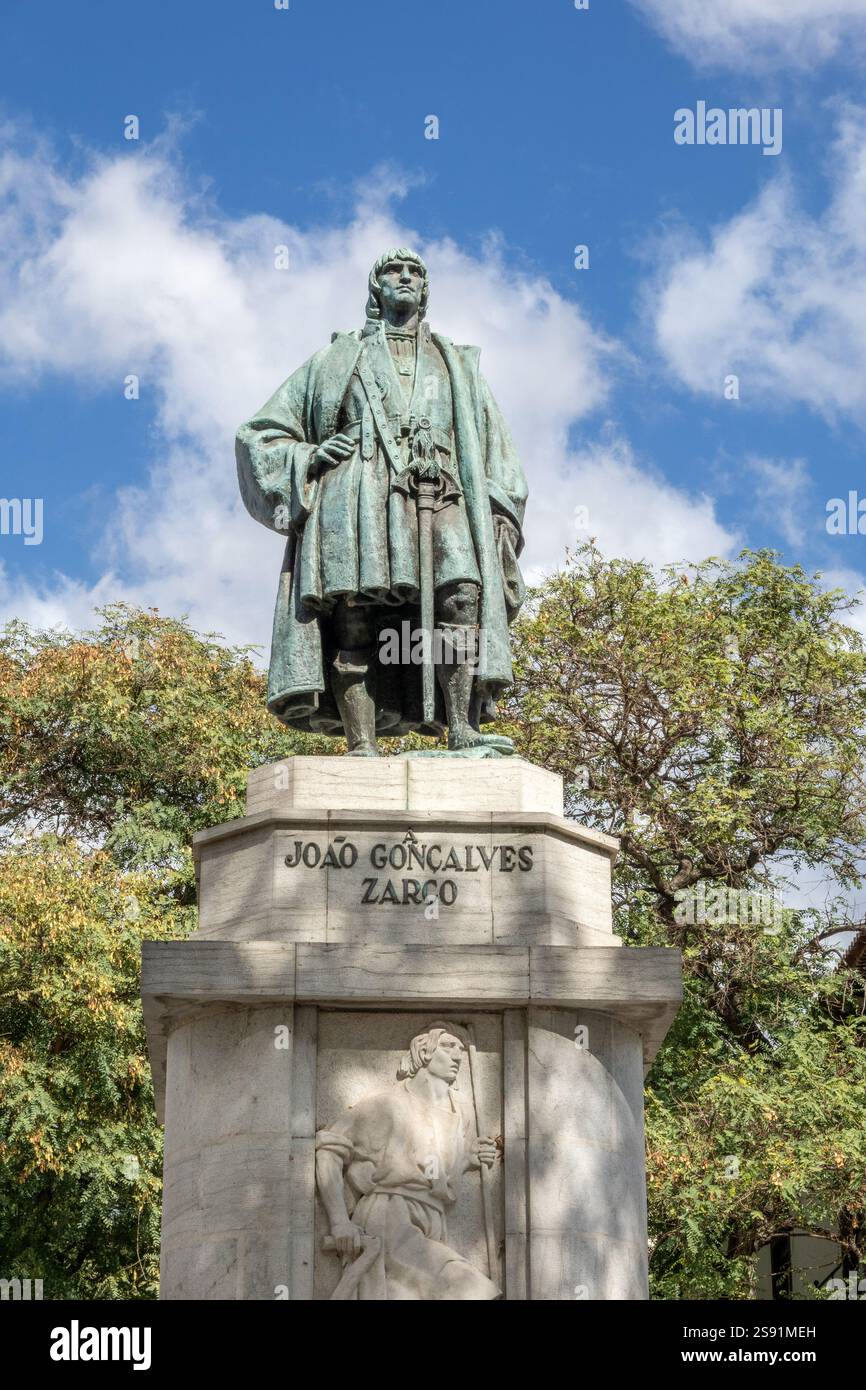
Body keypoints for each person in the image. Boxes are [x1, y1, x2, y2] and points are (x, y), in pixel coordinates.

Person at [236, 249, 527, 754]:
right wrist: (308, 454)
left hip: (444, 488)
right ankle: (361, 746)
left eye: (416, 272)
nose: (406, 278)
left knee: (461, 592)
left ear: (425, 289)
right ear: (377, 287)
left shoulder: (456, 362)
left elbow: (495, 447)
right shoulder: (336, 358)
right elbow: (258, 434)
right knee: (356, 611)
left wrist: (501, 512)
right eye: (394, 271)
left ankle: (461, 726)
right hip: (357, 490)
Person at [315, 1023, 501, 1300]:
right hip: (390, 1215)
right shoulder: (387, 1105)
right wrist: (340, 1222)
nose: (458, 1056)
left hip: (432, 1219)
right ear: (423, 1052)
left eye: (461, 1049)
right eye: (448, 1046)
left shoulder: (457, 1115)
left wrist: (466, 1159)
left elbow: (432, 1172)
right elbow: (329, 1149)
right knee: (470, 1288)